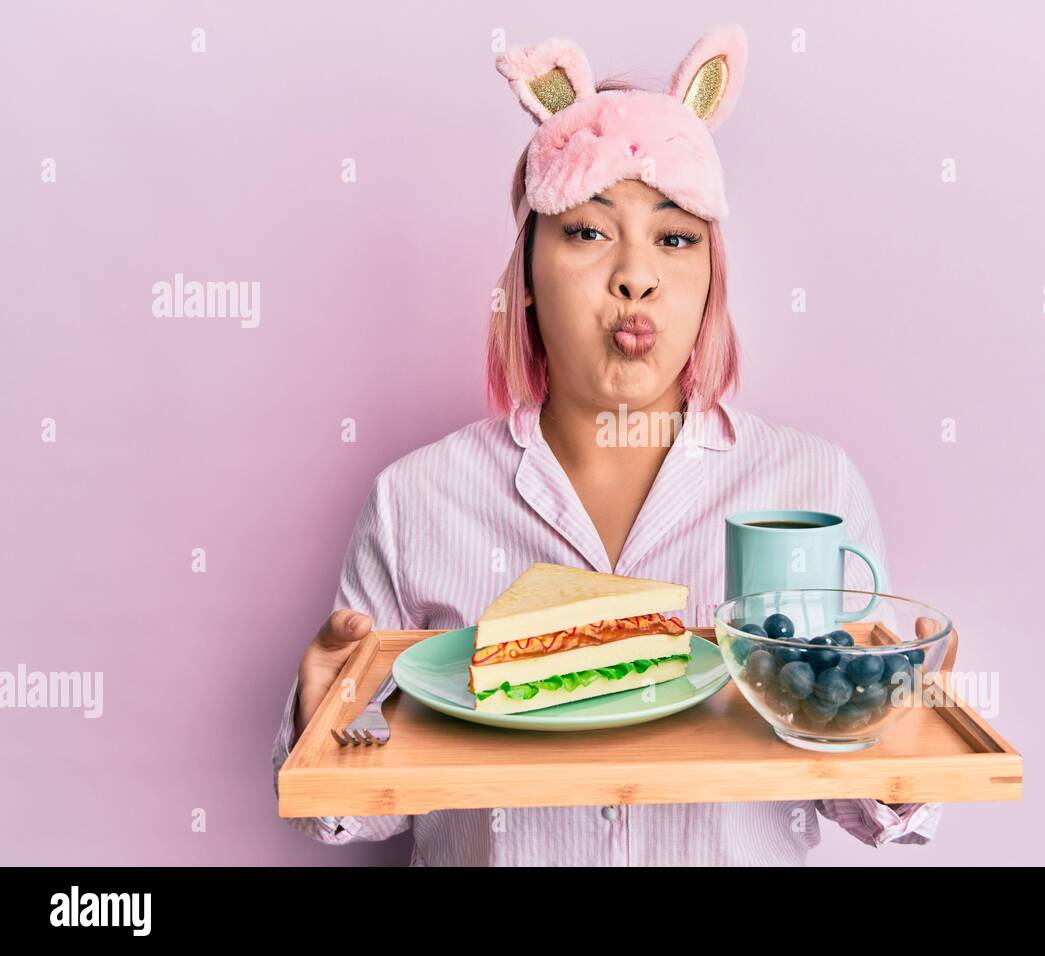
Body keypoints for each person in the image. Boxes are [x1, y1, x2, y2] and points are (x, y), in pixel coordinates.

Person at [272, 23, 949, 865]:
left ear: (710, 282)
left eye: (675, 237)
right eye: (589, 232)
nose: (637, 275)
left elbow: (873, 805)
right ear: (523, 279)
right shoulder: (417, 499)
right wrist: (324, 718)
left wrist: (894, 710)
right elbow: (357, 811)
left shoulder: (813, 487)